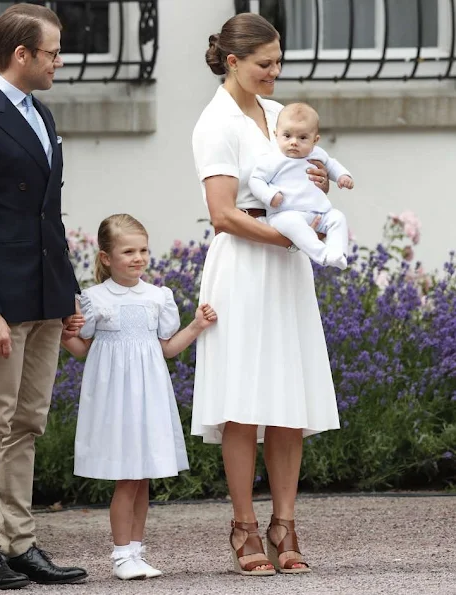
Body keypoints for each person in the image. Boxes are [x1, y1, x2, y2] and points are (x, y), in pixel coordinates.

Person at [191, 13, 340, 576]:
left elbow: (306, 181)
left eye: (279, 61)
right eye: (265, 64)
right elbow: (224, 214)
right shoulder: (216, 123)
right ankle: (244, 526)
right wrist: (286, 235)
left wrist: (318, 194)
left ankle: (285, 523)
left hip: (286, 268)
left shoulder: (281, 116)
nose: (276, 72)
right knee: (242, 401)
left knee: (286, 397)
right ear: (233, 62)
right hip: (246, 267)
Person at [0, 4, 88, 590]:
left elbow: (46, 216)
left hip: (44, 294)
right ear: (21, 55)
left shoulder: (42, 113)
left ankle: (20, 543)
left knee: (28, 423)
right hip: (0, 303)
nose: (60, 61)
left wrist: (69, 291)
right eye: (53, 52)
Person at [62, 214, 217, 581]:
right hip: (115, 398)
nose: (138, 258)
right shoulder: (95, 299)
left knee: (143, 476)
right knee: (127, 478)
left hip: (148, 395)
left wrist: (196, 326)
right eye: (128, 251)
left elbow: (167, 349)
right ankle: (120, 556)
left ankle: (136, 551)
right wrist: (59, 329)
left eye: (143, 250)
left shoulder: (158, 297)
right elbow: (81, 349)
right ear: (106, 258)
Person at [249, 102, 354, 270]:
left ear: (315, 140)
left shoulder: (318, 154)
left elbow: (332, 165)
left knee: (338, 218)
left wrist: (343, 176)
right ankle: (323, 254)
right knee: (292, 224)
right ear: (276, 135)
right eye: (287, 136)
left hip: (320, 214)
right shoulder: (273, 160)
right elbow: (255, 180)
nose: (294, 142)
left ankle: (337, 253)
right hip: (285, 213)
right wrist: (270, 196)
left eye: (302, 137)